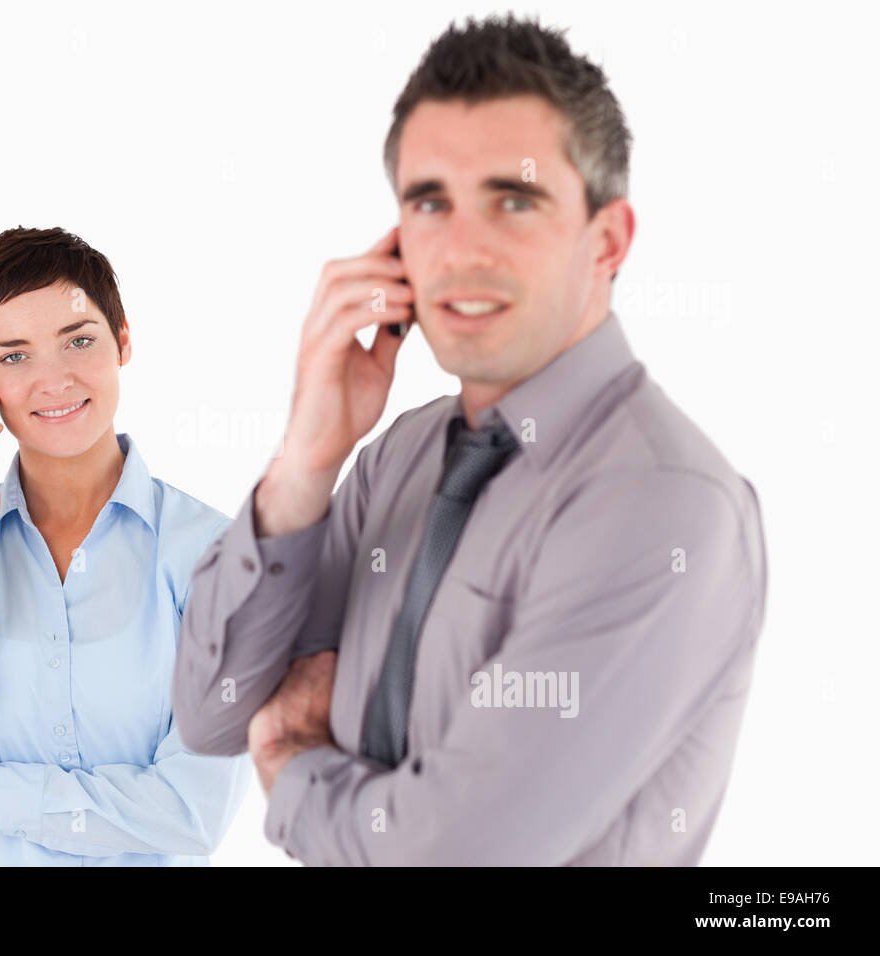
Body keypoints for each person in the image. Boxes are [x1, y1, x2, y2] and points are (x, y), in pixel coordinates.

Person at [172, 13, 768, 865]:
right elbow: (213, 711)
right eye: (430, 203)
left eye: (513, 199)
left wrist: (292, 764)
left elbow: (450, 854)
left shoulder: (664, 502)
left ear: (607, 241)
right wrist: (306, 460)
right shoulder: (396, 460)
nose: (460, 251)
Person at [0, 226, 251, 865]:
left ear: (123, 339)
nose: (54, 380)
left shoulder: (213, 554)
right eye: (14, 356)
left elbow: (190, 813)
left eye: (79, 341)